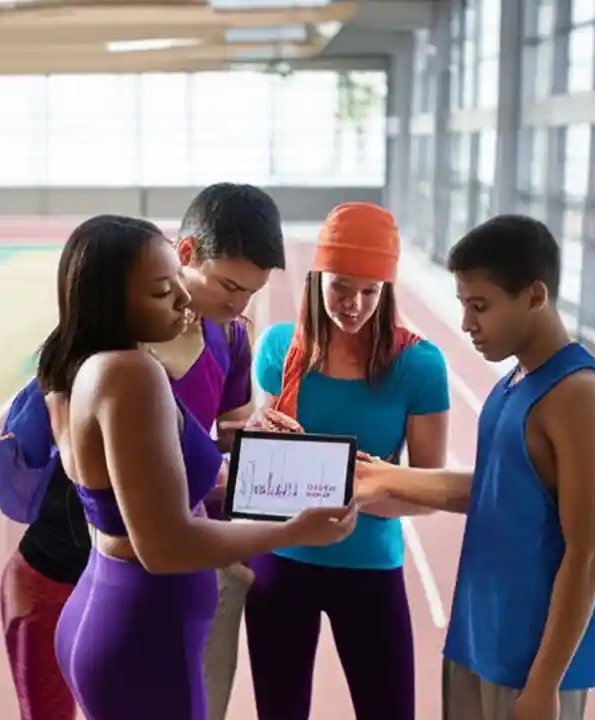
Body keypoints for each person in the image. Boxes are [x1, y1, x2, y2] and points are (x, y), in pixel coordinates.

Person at [38, 213, 356, 720]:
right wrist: (295, 530)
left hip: (116, 611)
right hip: (146, 630)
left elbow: (154, 490)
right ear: (111, 300)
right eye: (163, 291)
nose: (185, 299)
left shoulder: (96, 367)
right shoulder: (133, 375)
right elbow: (165, 546)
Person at [0, 184, 287, 720]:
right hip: (74, 573)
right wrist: (294, 527)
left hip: (148, 587)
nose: (237, 304)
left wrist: (267, 447)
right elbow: (149, 514)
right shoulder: (109, 360)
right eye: (229, 285)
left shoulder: (228, 338)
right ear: (185, 255)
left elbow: (212, 447)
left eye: (252, 292)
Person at [353, 214, 595, 720]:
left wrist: (544, 684)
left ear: (535, 296)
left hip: (528, 665)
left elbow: (589, 553)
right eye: (463, 305)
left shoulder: (582, 398)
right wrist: (382, 477)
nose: (467, 323)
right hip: (476, 642)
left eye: (480, 306)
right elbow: (493, 491)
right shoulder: (515, 382)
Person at [243, 202, 451, 720]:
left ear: (387, 290)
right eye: (340, 287)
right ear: (317, 277)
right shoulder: (277, 350)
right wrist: (258, 440)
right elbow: (261, 465)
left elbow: (429, 494)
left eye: (369, 291)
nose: (353, 305)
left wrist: (358, 492)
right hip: (281, 562)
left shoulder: (419, 366)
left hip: (369, 567)